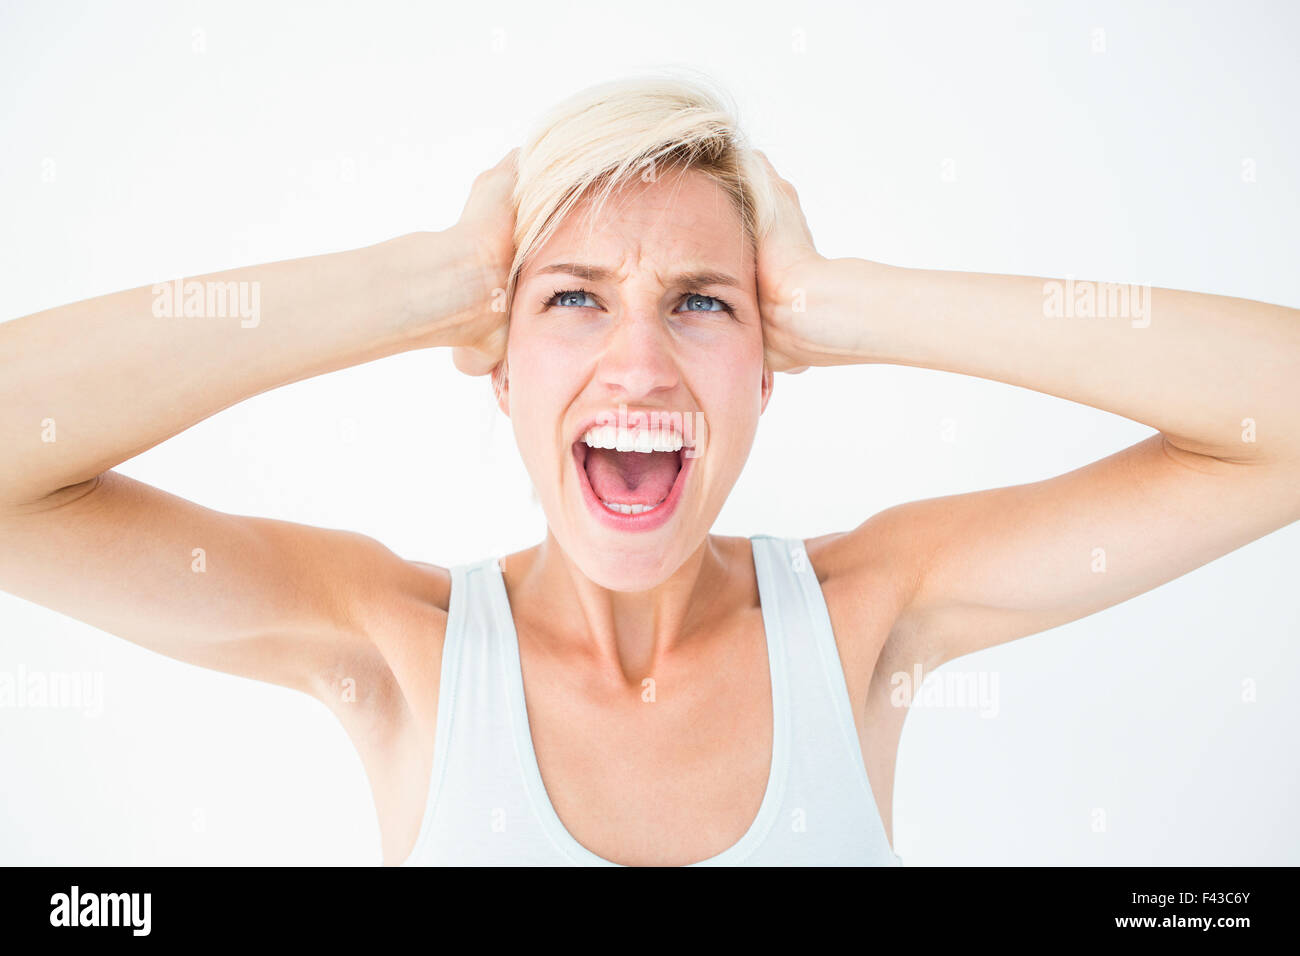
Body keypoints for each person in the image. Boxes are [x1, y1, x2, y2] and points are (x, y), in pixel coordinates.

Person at [1, 73, 1296, 866]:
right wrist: (425, 285)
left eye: (699, 305)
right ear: (494, 365)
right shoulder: (397, 650)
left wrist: (854, 303)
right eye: (572, 301)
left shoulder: (865, 619)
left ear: (772, 359)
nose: (637, 368)